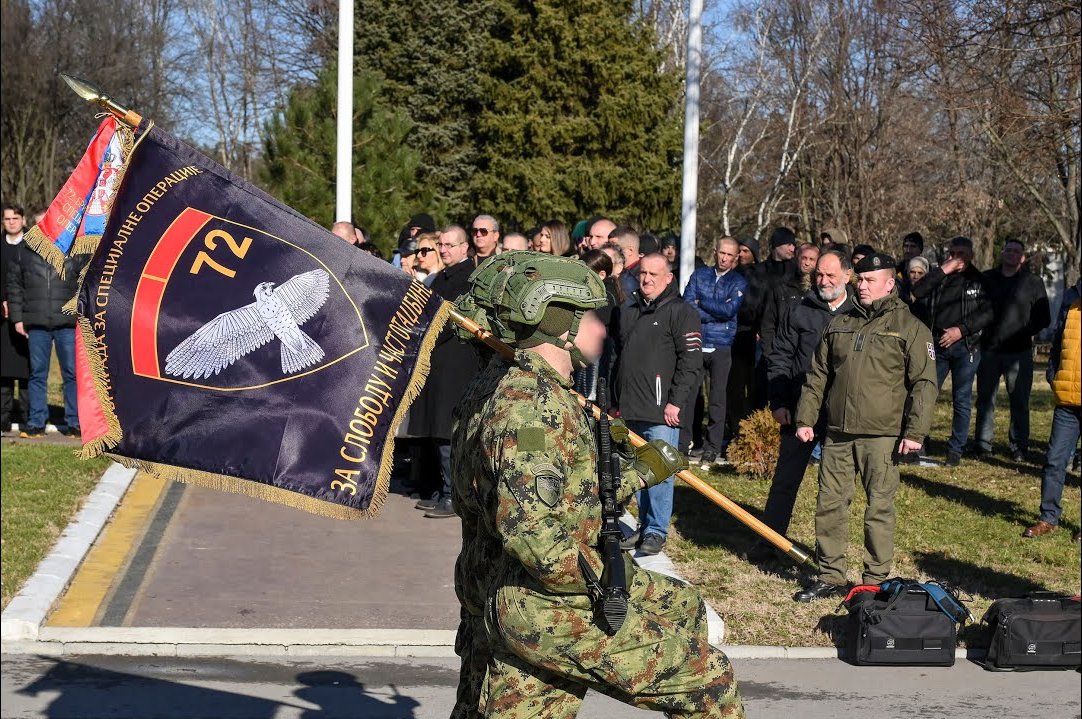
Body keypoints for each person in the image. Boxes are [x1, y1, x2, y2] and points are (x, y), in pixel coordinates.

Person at [449, 251, 744, 719]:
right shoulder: (530, 410)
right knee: (711, 684)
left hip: (519, 588)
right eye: (591, 317)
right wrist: (615, 580)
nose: (603, 329)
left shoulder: (525, 390)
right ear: (557, 322)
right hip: (546, 600)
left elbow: (566, 492)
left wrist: (635, 471)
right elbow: (538, 539)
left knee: (682, 604)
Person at [792, 252, 937, 601]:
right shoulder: (841, 322)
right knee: (829, 504)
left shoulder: (910, 328)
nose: (863, 285)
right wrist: (805, 418)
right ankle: (830, 574)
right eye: (860, 279)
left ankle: (874, 579)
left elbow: (924, 384)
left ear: (890, 283)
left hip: (882, 436)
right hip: (838, 434)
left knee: (879, 508)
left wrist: (915, 432)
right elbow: (818, 375)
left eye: (871, 280)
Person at [744, 251, 858, 561]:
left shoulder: (861, 314)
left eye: (831, 276)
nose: (823, 281)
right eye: (819, 275)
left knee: (835, 487)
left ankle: (829, 553)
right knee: (785, 479)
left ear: (848, 276)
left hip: (840, 413)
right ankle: (770, 540)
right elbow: (779, 356)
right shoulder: (801, 310)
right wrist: (779, 401)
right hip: (798, 407)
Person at [618, 254, 703, 556]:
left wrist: (676, 402)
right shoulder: (628, 310)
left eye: (654, 273)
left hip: (662, 411)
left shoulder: (682, 313)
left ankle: (656, 531)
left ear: (669, 278)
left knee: (660, 473)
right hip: (630, 408)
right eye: (643, 273)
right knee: (638, 472)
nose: (647, 279)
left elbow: (691, 362)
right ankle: (643, 527)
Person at [408, 225, 480, 517]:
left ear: (465, 248)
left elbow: (454, 319)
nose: (445, 249)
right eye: (442, 245)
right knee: (436, 432)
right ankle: (441, 488)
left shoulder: (468, 279)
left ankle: (453, 495)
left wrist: (430, 333)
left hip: (456, 363)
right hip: (439, 361)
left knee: (447, 432)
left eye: (451, 245)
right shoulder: (443, 278)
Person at [909, 236, 993, 465]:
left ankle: (955, 450)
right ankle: (917, 442)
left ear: (971, 255)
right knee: (926, 393)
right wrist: (943, 270)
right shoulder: (939, 276)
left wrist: (961, 330)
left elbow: (987, 313)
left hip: (966, 346)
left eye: (963, 254)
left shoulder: (979, 280)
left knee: (961, 399)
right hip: (936, 343)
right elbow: (918, 292)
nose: (958, 259)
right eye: (954, 253)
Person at [7, 220, 90, 438]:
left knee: (71, 374)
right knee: (37, 374)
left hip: (67, 323)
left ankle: (74, 421)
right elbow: (14, 285)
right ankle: (36, 422)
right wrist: (17, 318)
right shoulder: (24, 251)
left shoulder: (74, 250)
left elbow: (85, 283)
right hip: (36, 323)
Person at [973, 239, 1050, 462]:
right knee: (986, 400)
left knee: (1019, 401)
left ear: (1022, 257)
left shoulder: (1033, 282)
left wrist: (1026, 332)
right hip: (989, 349)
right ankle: (982, 444)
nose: (1011, 254)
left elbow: (1044, 316)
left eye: (1016, 251)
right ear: (1003, 253)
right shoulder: (987, 278)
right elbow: (976, 310)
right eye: (1008, 250)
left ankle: (1019, 446)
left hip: (1019, 352)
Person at [1022, 279, 1080, 541]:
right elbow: (1059, 336)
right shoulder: (1070, 296)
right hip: (1067, 397)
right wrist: (1052, 371)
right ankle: (1048, 517)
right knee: (1054, 460)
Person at [682, 237, 746, 469]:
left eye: (730, 255)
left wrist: (703, 303)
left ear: (736, 257)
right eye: (721, 253)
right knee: (689, 395)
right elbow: (688, 305)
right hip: (698, 342)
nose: (724, 258)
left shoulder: (738, 281)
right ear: (715, 251)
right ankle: (684, 443)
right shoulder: (700, 275)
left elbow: (729, 310)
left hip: (722, 346)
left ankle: (712, 448)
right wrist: (713, 310)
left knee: (717, 399)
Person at [2, 204, 31, 433]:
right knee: (3, 370)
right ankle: (3, 416)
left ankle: (27, 415)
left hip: (28, 316)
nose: (11, 222)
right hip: (2, 320)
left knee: (28, 369)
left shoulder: (34, 246)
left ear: (23, 219)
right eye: (7, 219)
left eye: (15, 218)